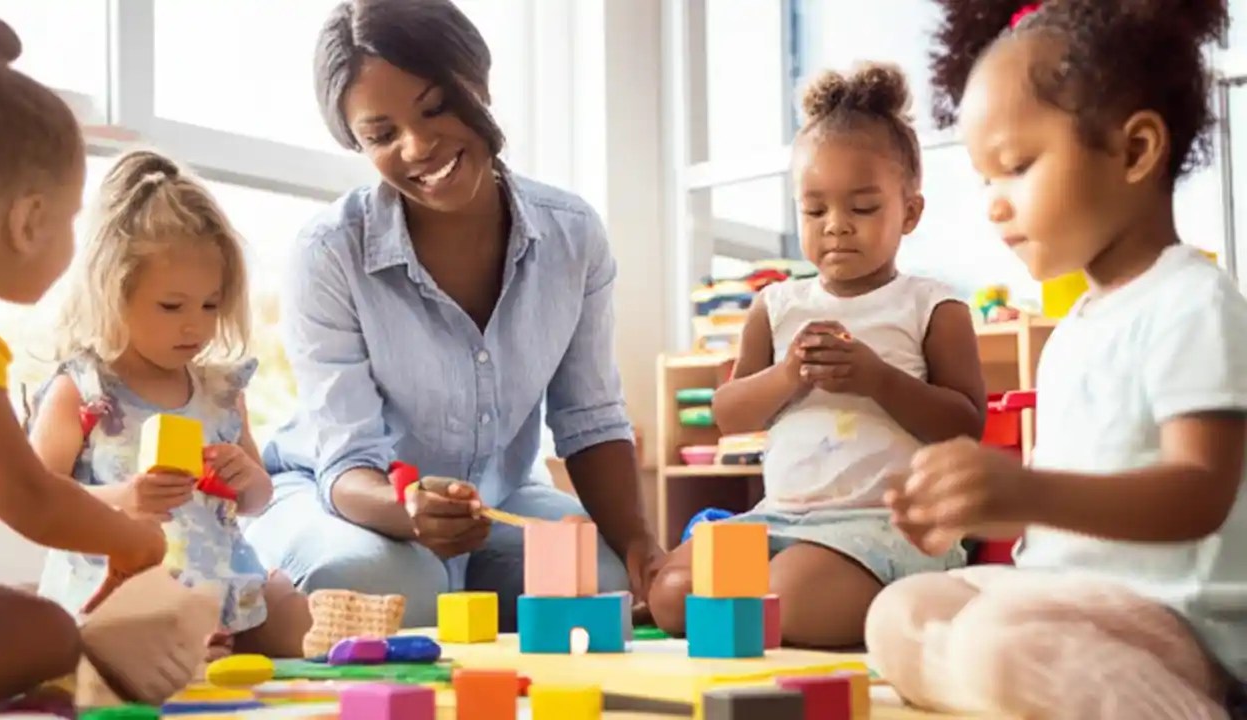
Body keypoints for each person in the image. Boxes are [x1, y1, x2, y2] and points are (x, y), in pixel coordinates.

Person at [867, 1, 1247, 718]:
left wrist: (1024, 494)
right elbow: (1063, 518)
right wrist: (973, 511)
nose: (993, 207)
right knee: (900, 612)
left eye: (1016, 167)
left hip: (1174, 623)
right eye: (984, 179)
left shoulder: (1193, 302)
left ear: (1135, 152)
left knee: (996, 644)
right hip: (1063, 600)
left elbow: (1201, 492)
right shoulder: (1074, 328)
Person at [243, 0, 662, 631]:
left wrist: (637, 543)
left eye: (436, 107)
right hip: (345, 503)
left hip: (496, 502)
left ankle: (460, 586)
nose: (419, 146)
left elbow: (589, 417)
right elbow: (347, 461)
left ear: (478, 80)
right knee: (386, 586)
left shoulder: (572, 236)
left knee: (594, 587)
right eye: (381, 135)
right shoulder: (329, 250)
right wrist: (408, 513)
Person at [647, 63, 987, 649]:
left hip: (880, 526)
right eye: (815, 210)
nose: (836, 227)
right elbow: (731, 414)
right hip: (775, 519)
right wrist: (786, 377)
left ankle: (890, 598)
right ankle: (786, 603)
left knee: (781, 601)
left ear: (909, 212)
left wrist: (876, 379)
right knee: (670, 592)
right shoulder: (776, 306)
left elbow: (965, 423)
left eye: (862, 207)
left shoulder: (931, 305)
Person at [28, 149, 380, 660]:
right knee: (153, 648)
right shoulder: (84, 392)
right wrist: (124, 499)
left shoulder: (218, 393)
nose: (195, 325)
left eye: (210, 305)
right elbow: (36, 501)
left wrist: (245, 478)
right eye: (172, 307)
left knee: (301, 623)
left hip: (225, 585)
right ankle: (187, 651)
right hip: (121, 593)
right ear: (113, 292)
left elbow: (258, 499)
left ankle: (222, 642)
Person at [0, 14, 216, 702]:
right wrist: (133, 541)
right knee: (47, 634)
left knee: (17, 619)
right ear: (28, 221)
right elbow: (26, 494)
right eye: (74, 217)